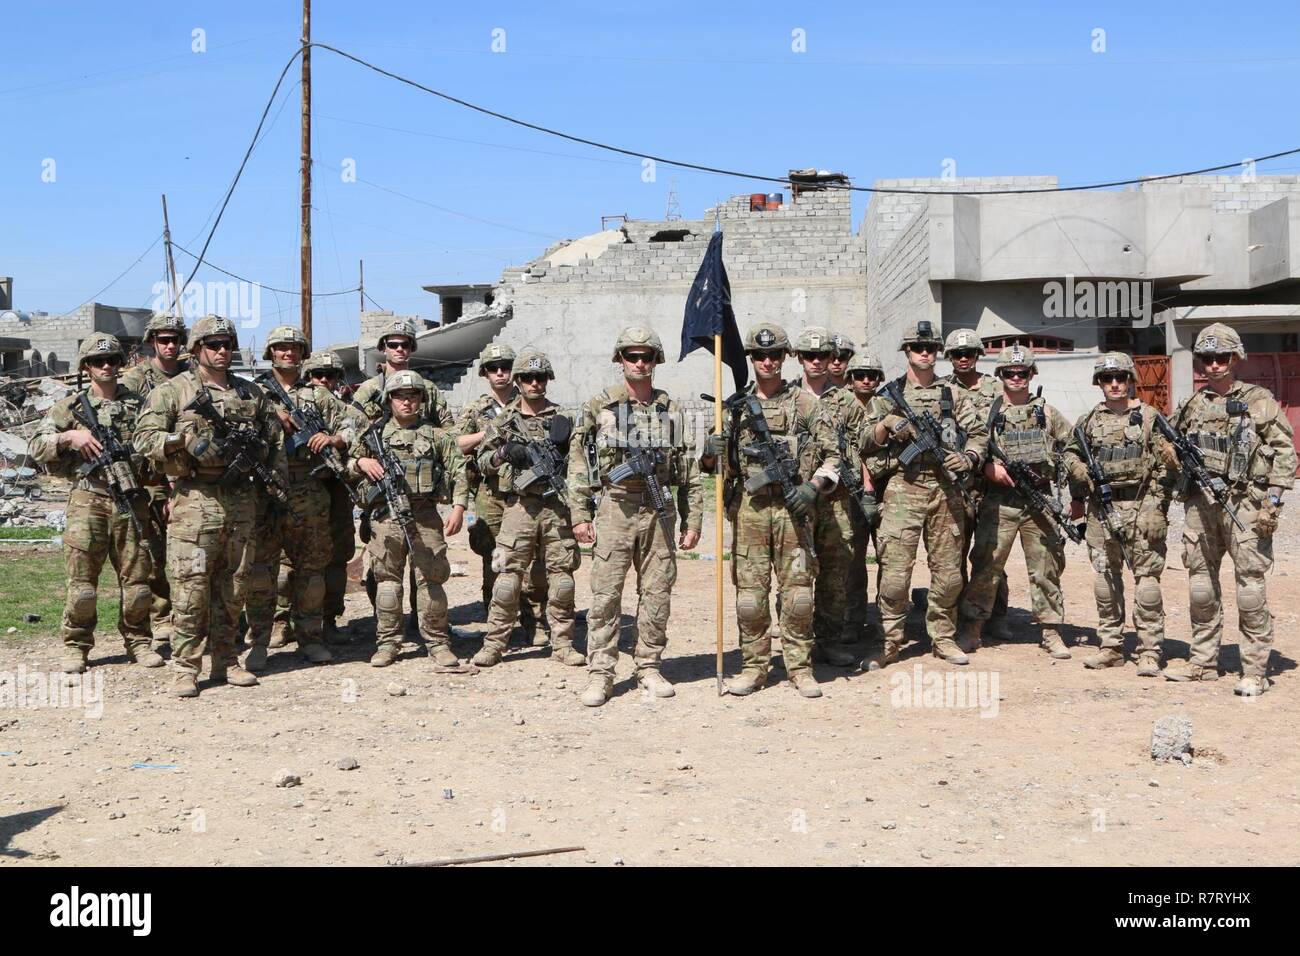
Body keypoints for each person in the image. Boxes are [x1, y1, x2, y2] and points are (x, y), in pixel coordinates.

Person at [134, 315, 286, 697]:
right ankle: (186, 667)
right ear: (196, 348)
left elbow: (275, 445)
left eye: (227, 344)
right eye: (213, 345)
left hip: (241, 501)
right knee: (191, 588)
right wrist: (182, 441)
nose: (221, 351)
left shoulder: (251, 394)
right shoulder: (173, 391)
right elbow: (143, 439)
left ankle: (226, 660)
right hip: (195, 501)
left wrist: (273, 491)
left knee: (234, 587)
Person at [701, 322, 841, 698]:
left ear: (785, 357)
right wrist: (711, 452)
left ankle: (799, 667)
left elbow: (833, 457)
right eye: (760, 355)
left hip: (794, 512)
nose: (767, 362)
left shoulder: (807, 405)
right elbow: (718, 468)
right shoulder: (735, 409)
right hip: (751, 512)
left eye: (774, 354)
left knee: (798, 596)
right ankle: (754, 666)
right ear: (751, 359)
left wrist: (813, 488)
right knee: (750, 597)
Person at [569, 327, 702, 707]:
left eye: (647, 356)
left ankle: (649, 665)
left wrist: (693, 522)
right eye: (632, 356)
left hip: (659, 508)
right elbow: (578, 464)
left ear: (656, 360)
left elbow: (689, 471)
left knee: (657, 591)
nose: (639, 363)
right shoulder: (600, 406)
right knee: (606, 594)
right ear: (620, 360)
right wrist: (580, 513)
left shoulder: (671, 409)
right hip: (616, 507)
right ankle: (601, 672)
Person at [1162, 324, 1296, 695]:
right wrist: (1173, 456)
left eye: (1222, 358)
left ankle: (1254, 669)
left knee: (1250, 588)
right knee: (1200, 586)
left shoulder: (1258, 400)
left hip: (1244, 503)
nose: (1215, 365)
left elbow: (1285, 451)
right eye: (1207, 359)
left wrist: (1274, 499)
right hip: (1199, 506)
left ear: (1235, 359)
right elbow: (1167, 442)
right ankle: (1203, 662)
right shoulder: (1192, 404)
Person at [859, 321, 988, 668]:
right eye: (918, 348)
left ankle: (943, 637)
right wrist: (885, 425)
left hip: (946, 488)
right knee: (895, 573)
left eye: (930, 348)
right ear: (907, 352)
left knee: (948, 573)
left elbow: (978, 434)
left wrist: (970, 457)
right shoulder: (887, 396)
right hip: (904, 486)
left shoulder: (954, 394)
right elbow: (864, 441)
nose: (925, 354)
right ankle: (891, 640)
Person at [30, 334, 159, 673]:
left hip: (131, 499)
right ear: (86, 367)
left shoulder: (141, 404)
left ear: (120, 364)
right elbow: (37, 446)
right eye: (98, 362)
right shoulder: (70, 408)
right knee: (83, 585)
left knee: (138, 582)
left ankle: (139, 641)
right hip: (88, 499)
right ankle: (76, 645)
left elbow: (157, 445)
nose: (106, 367)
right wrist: (69, 436)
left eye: (113, 360)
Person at [242, 327, 363, 670]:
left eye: (294, 349)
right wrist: (270, 414)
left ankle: (310, 637)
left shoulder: (319, 396)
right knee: (264, 571)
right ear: (271, 352)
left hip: (309, 488)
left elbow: (354, 425)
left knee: (312, 568)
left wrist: (334, 439)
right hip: (267, 489)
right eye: (281, 348)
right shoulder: (253, 393)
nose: (288, 354)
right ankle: (261, 641)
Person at [954, 346, 1074, 658]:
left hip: (1039, 501)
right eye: (1010, 373)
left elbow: (1073, 447)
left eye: (1023, 373)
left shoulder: (1047, 413)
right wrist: (987, 467)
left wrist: (1076, 493)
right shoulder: (988, 414)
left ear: (1032, 374)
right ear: (1001, 376)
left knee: (1045, 567)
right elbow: (968, 445)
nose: (1017, 378)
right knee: (986, 567)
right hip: (999, 502)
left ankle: (1050, 631)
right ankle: (972, 628)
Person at [1062, 352, 1177, 676]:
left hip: (1141, 507)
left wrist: (1158, 507)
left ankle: (1149, 650)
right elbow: (1068, 454)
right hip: (1102, 510)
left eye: (1120, 378)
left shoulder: (1151, 417)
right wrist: (1078, 470)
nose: (1114, 384)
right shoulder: (1088, 421)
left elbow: (1169, 468)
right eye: (1107, 378)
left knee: (1148, 583)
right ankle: (1110, 645)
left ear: (1130, 381)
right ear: (1099, 383)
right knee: (1105, 581)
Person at [471, 349, 585, 668]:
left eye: (541, 377)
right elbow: (482, 462)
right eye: (528, 378)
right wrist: (504, 452)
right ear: (518, 381)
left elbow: (578, 467)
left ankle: (562, 643)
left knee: (561, 579)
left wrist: (580, 511)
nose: (535, 383)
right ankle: (495, 643)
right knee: (507, 579)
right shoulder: (504, 420)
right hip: (519, 506)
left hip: (556, 507)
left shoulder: (563, 420)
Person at [350, 370, 468, 668]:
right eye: (400, 396)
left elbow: (458, 469)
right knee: (388, 583)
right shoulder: (373, 435)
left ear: (421, 400)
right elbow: (346, 466)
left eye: (413, 396)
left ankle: (438, 642)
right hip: (386, 515)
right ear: (389, 400)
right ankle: (388, 643)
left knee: (432, 582)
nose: (407, 401)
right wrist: (361, 461)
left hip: (425, 515)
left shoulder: (436, 436)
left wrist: (458, 507)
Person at [453, 343, 547, 634]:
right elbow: (456, 444)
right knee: (494, 558)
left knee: (531, 557)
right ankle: (496, 623)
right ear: (484, 373)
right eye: (494, 368)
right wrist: (490, 434)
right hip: (490, 492)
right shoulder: (476, 409)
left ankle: (534, 621)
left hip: (525, 491)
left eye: (506, 367)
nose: (500, 373)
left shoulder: (529, 401)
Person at [121, 312, 189, 653]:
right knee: (150, 548)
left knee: (182, 549)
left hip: (181, 475)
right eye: (164, 339)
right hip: (146, 476)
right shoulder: (136, 379)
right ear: (152, 343)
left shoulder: (190, 376)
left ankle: (180, 616)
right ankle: (159, 616)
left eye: (176, 339)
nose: (171, 345)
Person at [942, 328, 1009, 640]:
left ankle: (996, 616)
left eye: (969, 353)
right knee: (953, 554)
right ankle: (956, 617)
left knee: (991, 554)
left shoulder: (998, 389)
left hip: (993, 483)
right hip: (957, 484)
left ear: (979, 355)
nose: (964, 358)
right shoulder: (943, 390)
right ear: (950, 357)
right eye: (957, 354)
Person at [809, 332, 868, 665]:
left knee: (835, 572)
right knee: (797, 571)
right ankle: (798, 639)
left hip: (838, 498)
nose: (828, 362)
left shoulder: (846, 402)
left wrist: (868, 490)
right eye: (813, 356)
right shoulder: (792, 397)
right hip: (799, 498)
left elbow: (863, 449)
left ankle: (829, 640)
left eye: (836, 356)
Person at [843, 351, 886, 640]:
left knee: (890, 558)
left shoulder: (889, 405)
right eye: (860, 375)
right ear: (851, 378)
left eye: (872, 376)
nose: (866, 380)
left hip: (886, 490)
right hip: (851, 492)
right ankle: (853, 622)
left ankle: (886, 620)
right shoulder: (840, 406)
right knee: (852, 562)